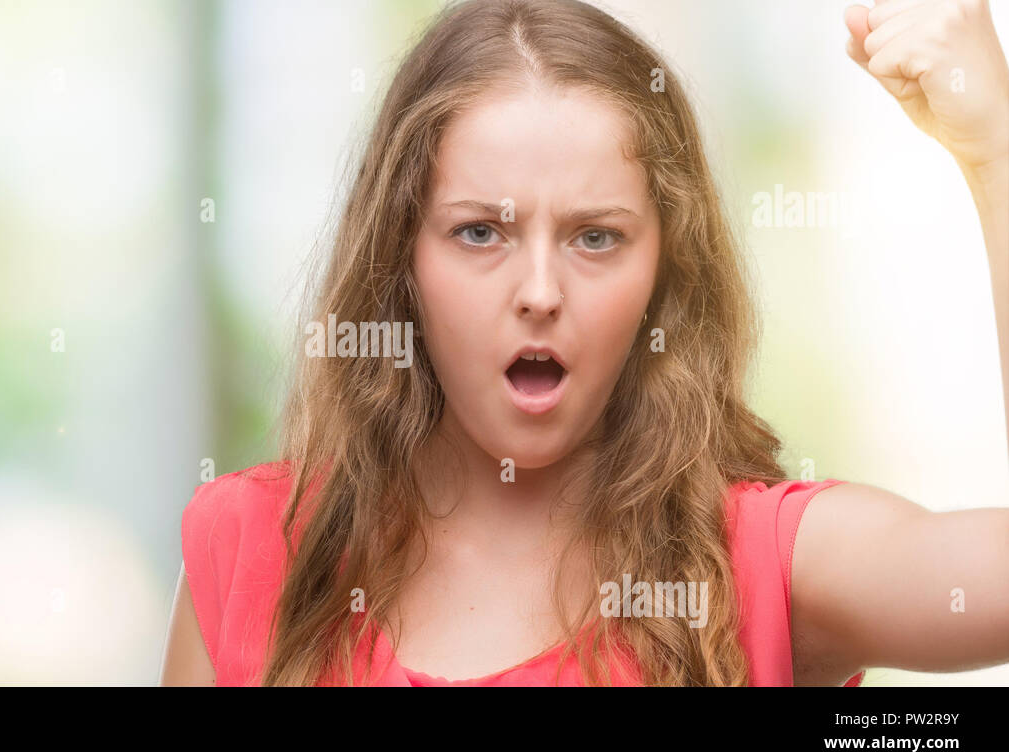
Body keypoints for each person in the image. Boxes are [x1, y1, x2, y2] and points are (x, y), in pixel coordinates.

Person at [161, 0, 1009, 686]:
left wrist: (994, 148)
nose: (539, 293)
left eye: (595, 238)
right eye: (479, 234)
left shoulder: (761, 566)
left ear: (665, 276)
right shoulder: (250, 548)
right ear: (401, 259)